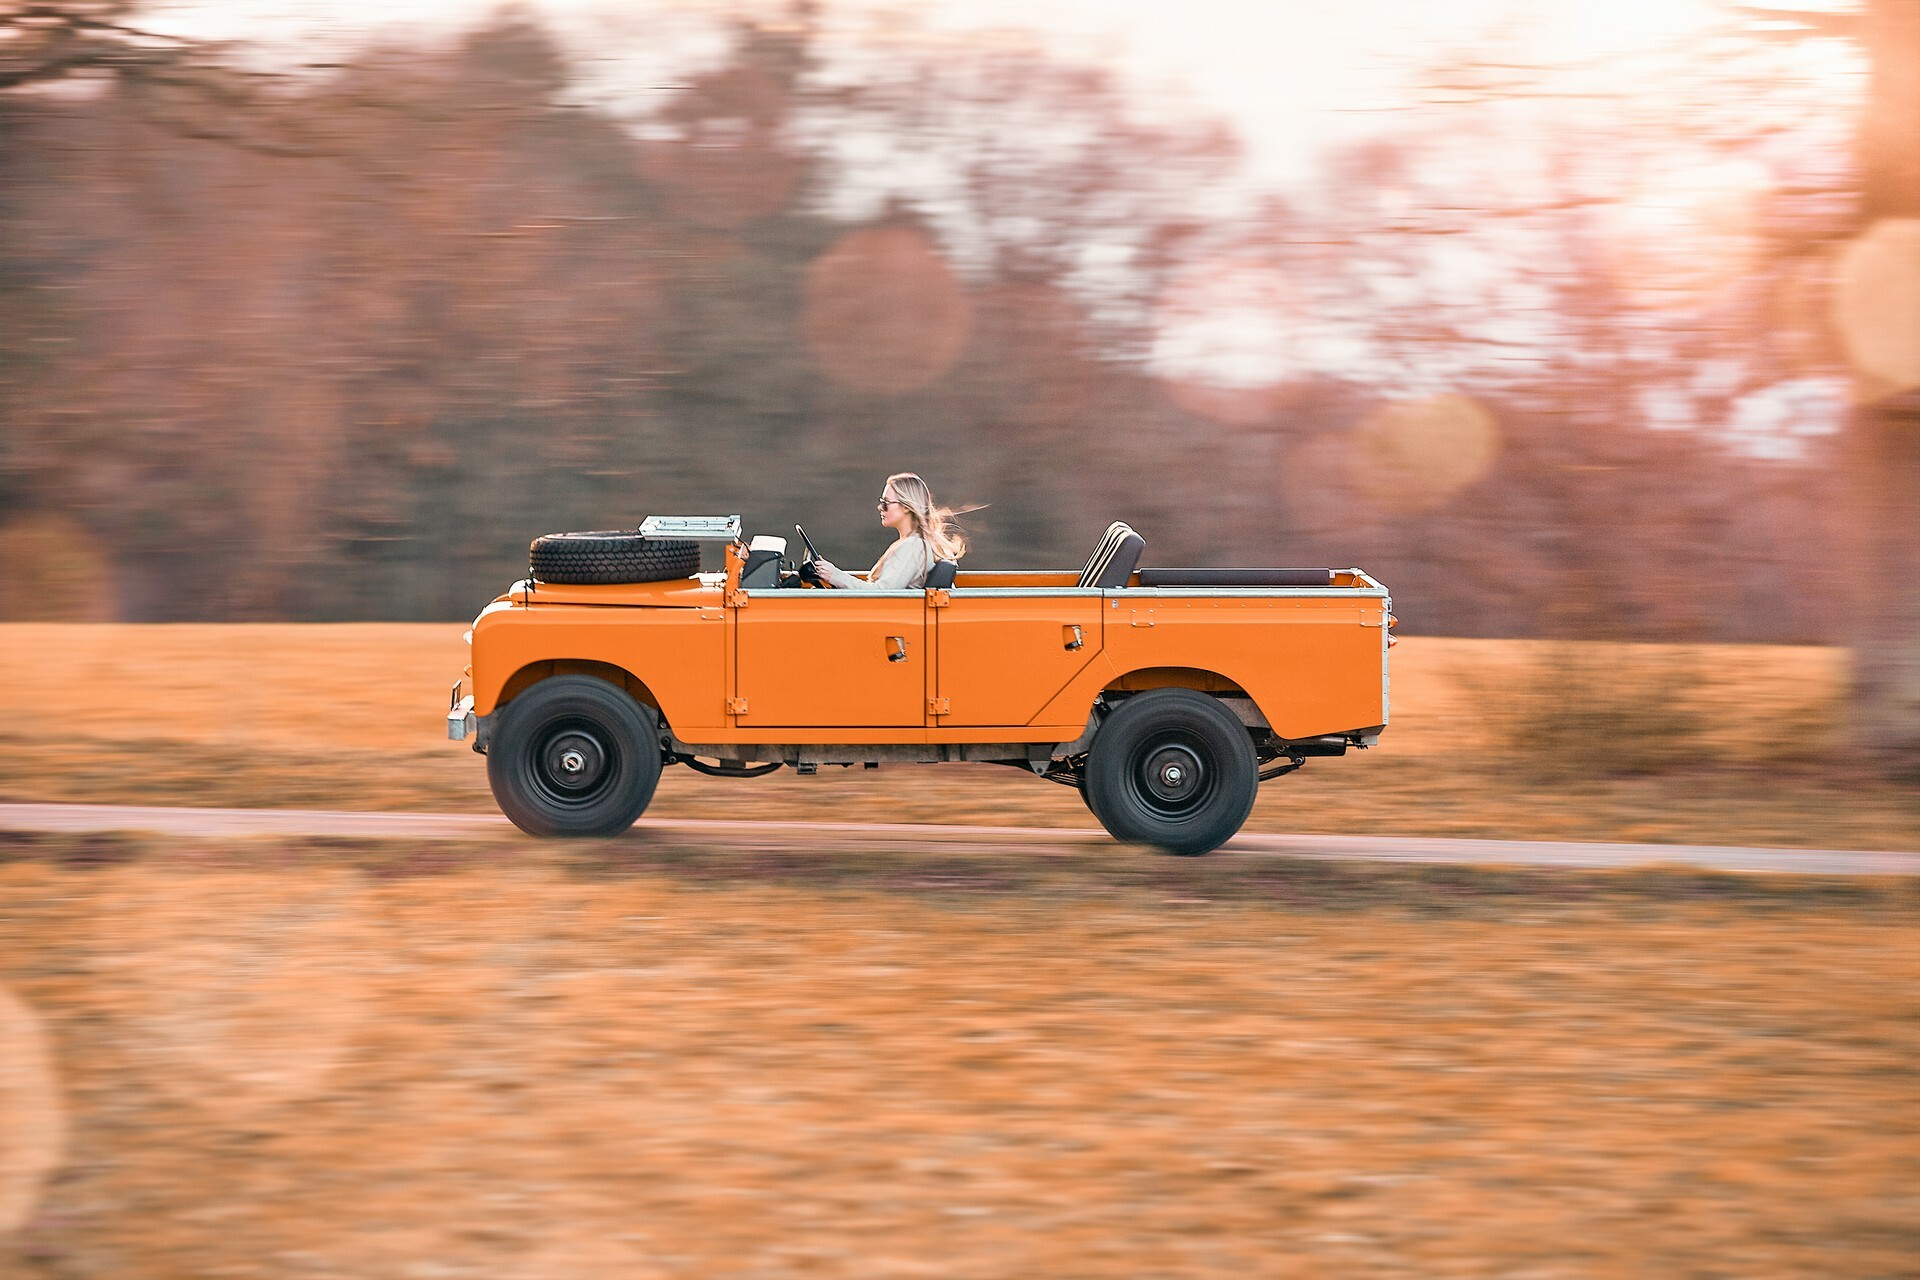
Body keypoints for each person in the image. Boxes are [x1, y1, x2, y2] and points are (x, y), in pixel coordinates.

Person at [814, 472, 968, 590]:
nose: (880, 508)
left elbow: (882, 594)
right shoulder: (911, 544)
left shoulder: (913, 547)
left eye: (886, 503)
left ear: (907, 506)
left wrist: (834, 575)